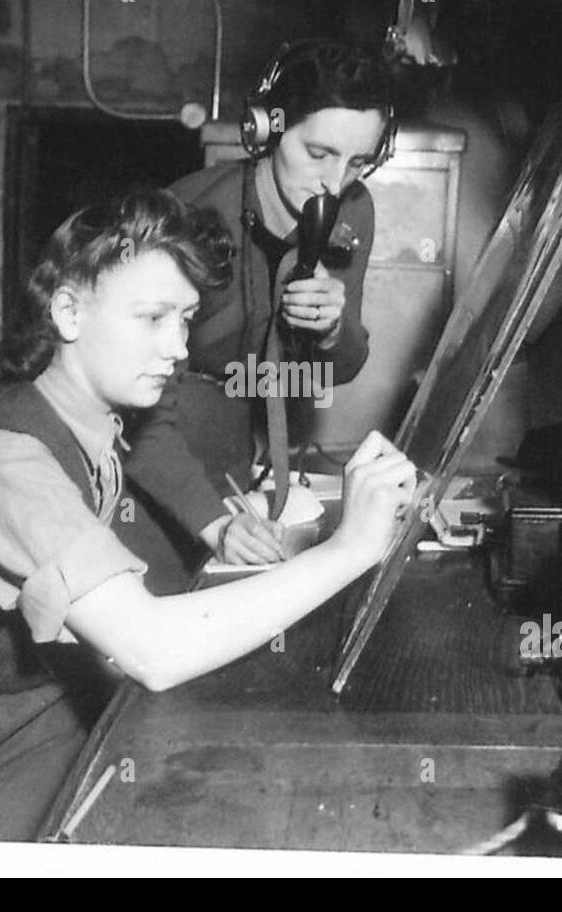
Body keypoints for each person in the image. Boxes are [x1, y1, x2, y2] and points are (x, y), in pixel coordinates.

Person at [0, 189, 416, 841]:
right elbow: (154, 650)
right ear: (68, 311)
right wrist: (346, 551)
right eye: (151, 317)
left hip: (28, 710)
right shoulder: (4, 464)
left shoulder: (87, 422)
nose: (177, 347)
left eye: (187, 318)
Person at [120, 39, 395, 592]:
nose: (335, 183)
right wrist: (212, 521)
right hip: (149, 439)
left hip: (234, 430)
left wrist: (333, 329)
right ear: (267, 130)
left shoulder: (354, 208)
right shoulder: (187, 215)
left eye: (358, 161)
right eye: (318, 153)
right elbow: (134, 412)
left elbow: (339, 367)